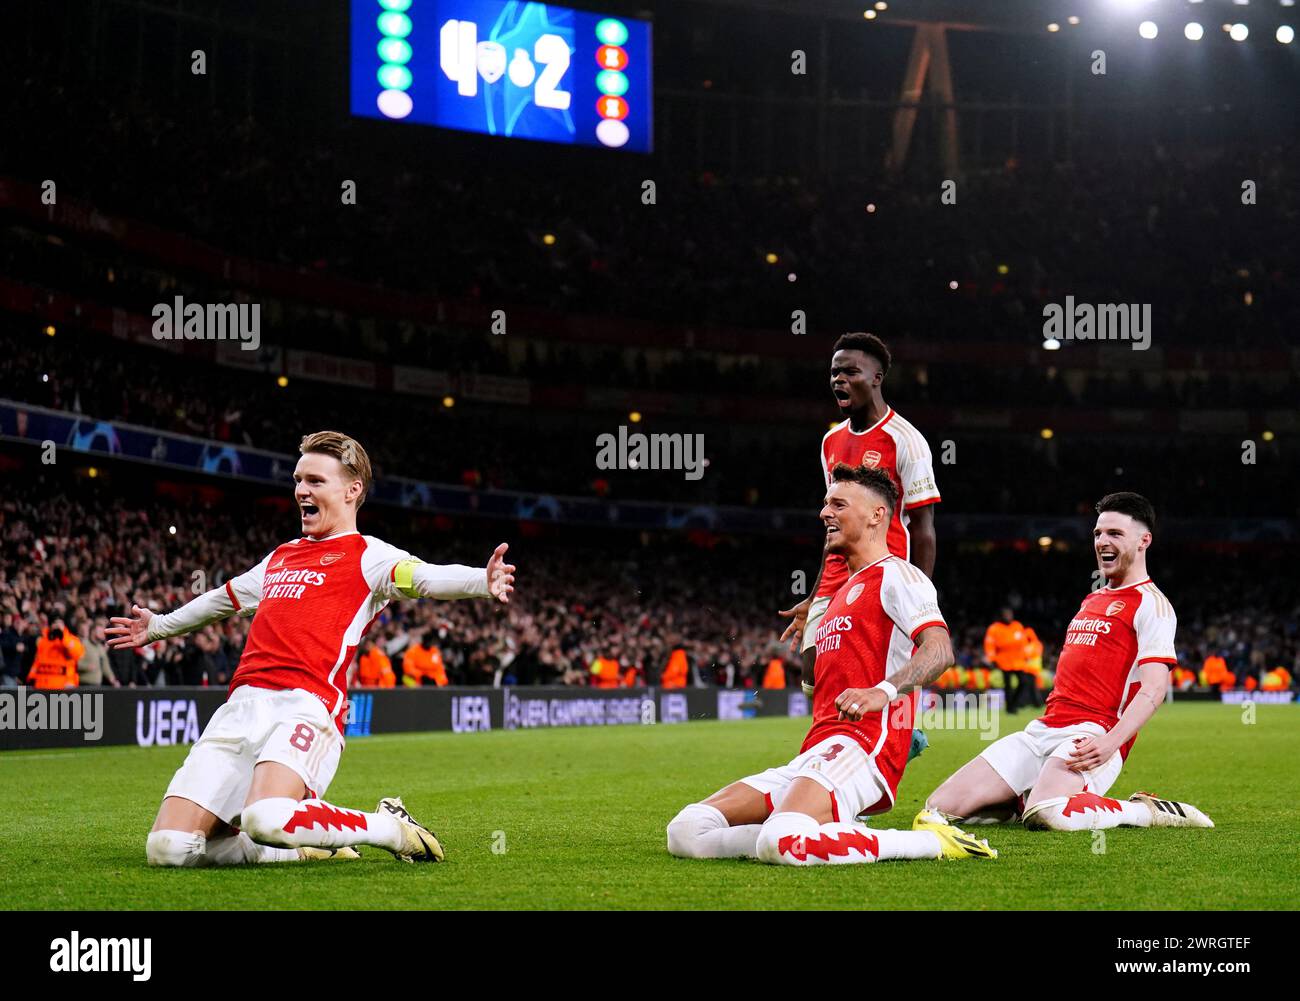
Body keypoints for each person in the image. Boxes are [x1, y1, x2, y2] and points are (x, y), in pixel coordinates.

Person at [108, 431, 516, 867]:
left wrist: (480, 581)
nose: (301, 489)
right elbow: (219, 601)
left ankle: (392, 828)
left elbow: (425, 579)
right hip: (240, 708)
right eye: (298, 479)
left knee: (265, 815)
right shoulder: (280, 557)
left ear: (352, 489)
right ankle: (304, 845)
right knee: (168, 849)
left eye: (316, 481)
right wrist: (158, 627)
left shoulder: (368, 556)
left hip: (307, 706)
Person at [667, 464, 995, 866]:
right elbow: (815, 682)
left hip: (863, 747)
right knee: (686, 830)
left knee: (781, 843)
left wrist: (883, 692)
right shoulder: (839, 593)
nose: (825, 513)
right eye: (825, 504)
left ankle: (931, 843)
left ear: (877, 515)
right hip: (816, 751)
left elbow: (940, 650)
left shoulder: (898, 576)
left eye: (838, 503)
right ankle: (831, 831)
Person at [922, 492, 1214, 832]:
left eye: (1115, 534)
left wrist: (1110, 743)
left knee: (1049, 813)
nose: (1103, 541)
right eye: (1098, 534)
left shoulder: (1152, 604)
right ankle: (1024, 800)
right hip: (1042, 731)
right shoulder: (1091, 599)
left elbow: (1154, 689)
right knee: (937, 810)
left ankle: (1145, 811)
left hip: (1093, 735)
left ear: (1143, 540)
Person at [778, 333, 941, 752]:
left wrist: (918, 591)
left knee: (872, 666)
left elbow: (923, 526)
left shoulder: (905, 439)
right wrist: (814, 597)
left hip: (883, 572)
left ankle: (884, 742)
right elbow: (833, 521)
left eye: (851, 372)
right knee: (814, 667)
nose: (839, 379)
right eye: (835, 372)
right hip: (836, 576)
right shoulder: (830, 443)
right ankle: (839, 747)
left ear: (877, 377)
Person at [984, 607, 1029, 714]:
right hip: (1003, 661)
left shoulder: (1017, 626)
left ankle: (1014, 703)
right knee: (1007, 685)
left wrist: (1026, 655)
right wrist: (992, 658)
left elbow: (1024, 643)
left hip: (1018, 661)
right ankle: (1010, 708)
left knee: (1023, 682)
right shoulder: (994, 628)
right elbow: (989, 644)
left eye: (1010, 614)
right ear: (1002, 616)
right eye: (1006, 615)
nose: (1009, 617)